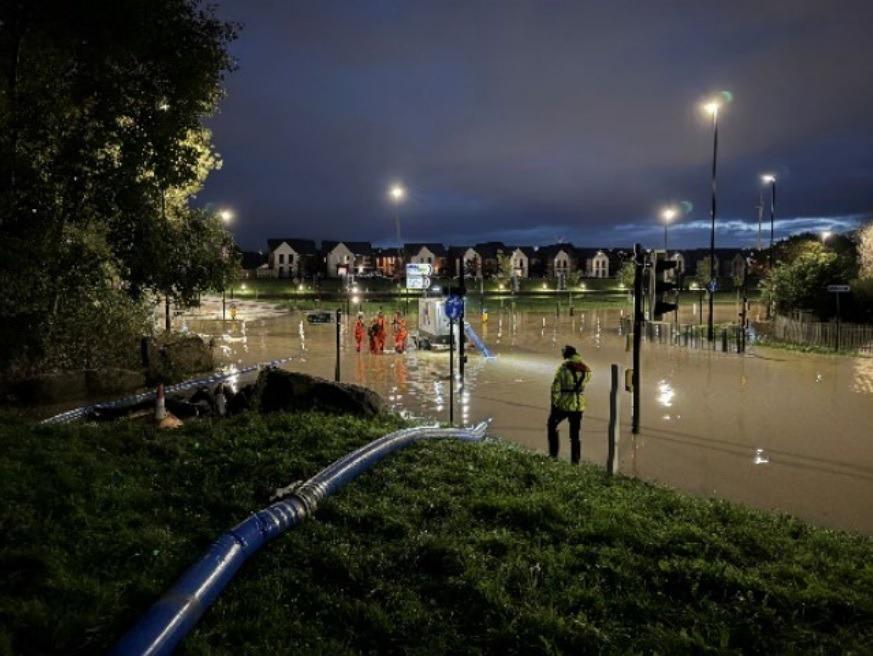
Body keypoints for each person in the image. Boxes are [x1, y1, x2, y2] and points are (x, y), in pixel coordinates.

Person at [547, 345, 592, 465]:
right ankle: (575, 462)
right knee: (575, 435)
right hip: (579, 406)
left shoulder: (563, 369)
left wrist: (554, 403)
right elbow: (586, 381)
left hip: (564, 405)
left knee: (552, 425)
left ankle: (553, 455)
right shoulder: (585, 369)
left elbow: (555, 388)